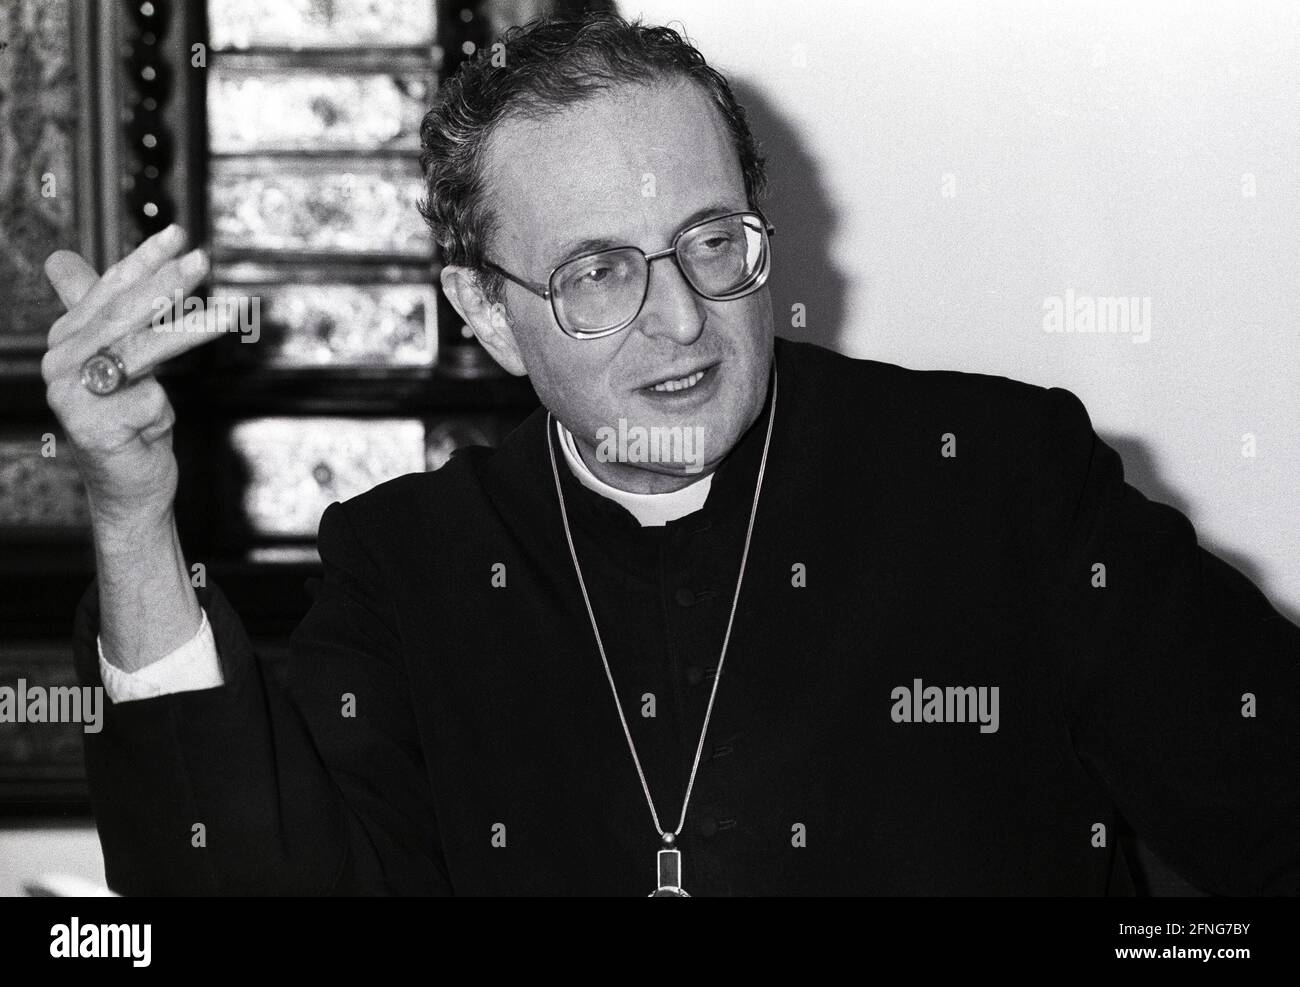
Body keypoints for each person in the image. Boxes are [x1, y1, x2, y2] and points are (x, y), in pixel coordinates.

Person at [40, 14, 1299, 896]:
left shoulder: (998, 479)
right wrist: (134, 517)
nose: (683, 318)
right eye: (596, 272)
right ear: (485, 314)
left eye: (710, 241)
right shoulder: (411, 569)